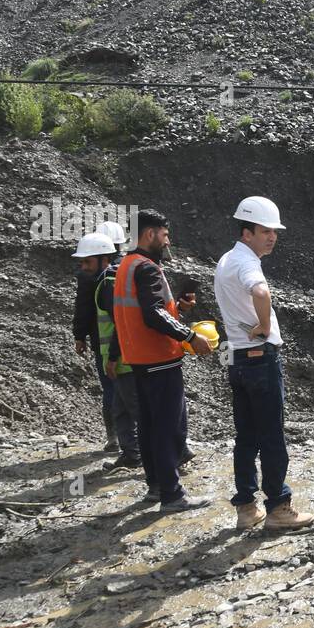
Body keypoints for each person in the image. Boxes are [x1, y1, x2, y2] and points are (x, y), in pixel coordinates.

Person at [214, 196, 314, 531]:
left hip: (238, 359)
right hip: (259, 358)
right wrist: (265, 326)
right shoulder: (247, 263)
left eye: (274, 231)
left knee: (246, 436)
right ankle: (279, 508)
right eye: (265, 231)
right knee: (271, 435)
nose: (272, 237)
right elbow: (260, 292)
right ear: (247, 232)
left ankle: (246, 508)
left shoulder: (226, 260)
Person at [112, 208, 214, 512]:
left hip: (139, 359)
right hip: (160, 358)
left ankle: (156, 487)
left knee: (149, 424)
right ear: (149, 234)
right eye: (165, 235)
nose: (168, 241)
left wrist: (178, 309)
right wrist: (189, 335)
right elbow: (153, 314)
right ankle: (172, 494)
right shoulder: (147, 268)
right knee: (169, 426)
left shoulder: (126, 265)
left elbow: (146, 312)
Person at [74, 232, 140, 471]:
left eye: (88, 262)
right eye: (82, 262)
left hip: (121, 357)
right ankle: (132, 454)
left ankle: (172, 452)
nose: (83, 267)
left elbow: (122, 324)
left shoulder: (109, 283)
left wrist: (112, 356)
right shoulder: (109, 278)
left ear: (105, 258)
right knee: (120, 407)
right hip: (114, 354)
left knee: (135, 407)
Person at [73, 224, 120, 454]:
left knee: (113, 391)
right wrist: (79, 335)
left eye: (87, 261)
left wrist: (79, 335)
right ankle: (125, 441)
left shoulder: (100, 278)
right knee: (120, 391)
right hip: (112, 345)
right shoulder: (123, 272)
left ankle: (119, 440)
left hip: (107, 345)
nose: (83, 267)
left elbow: (83, 307)